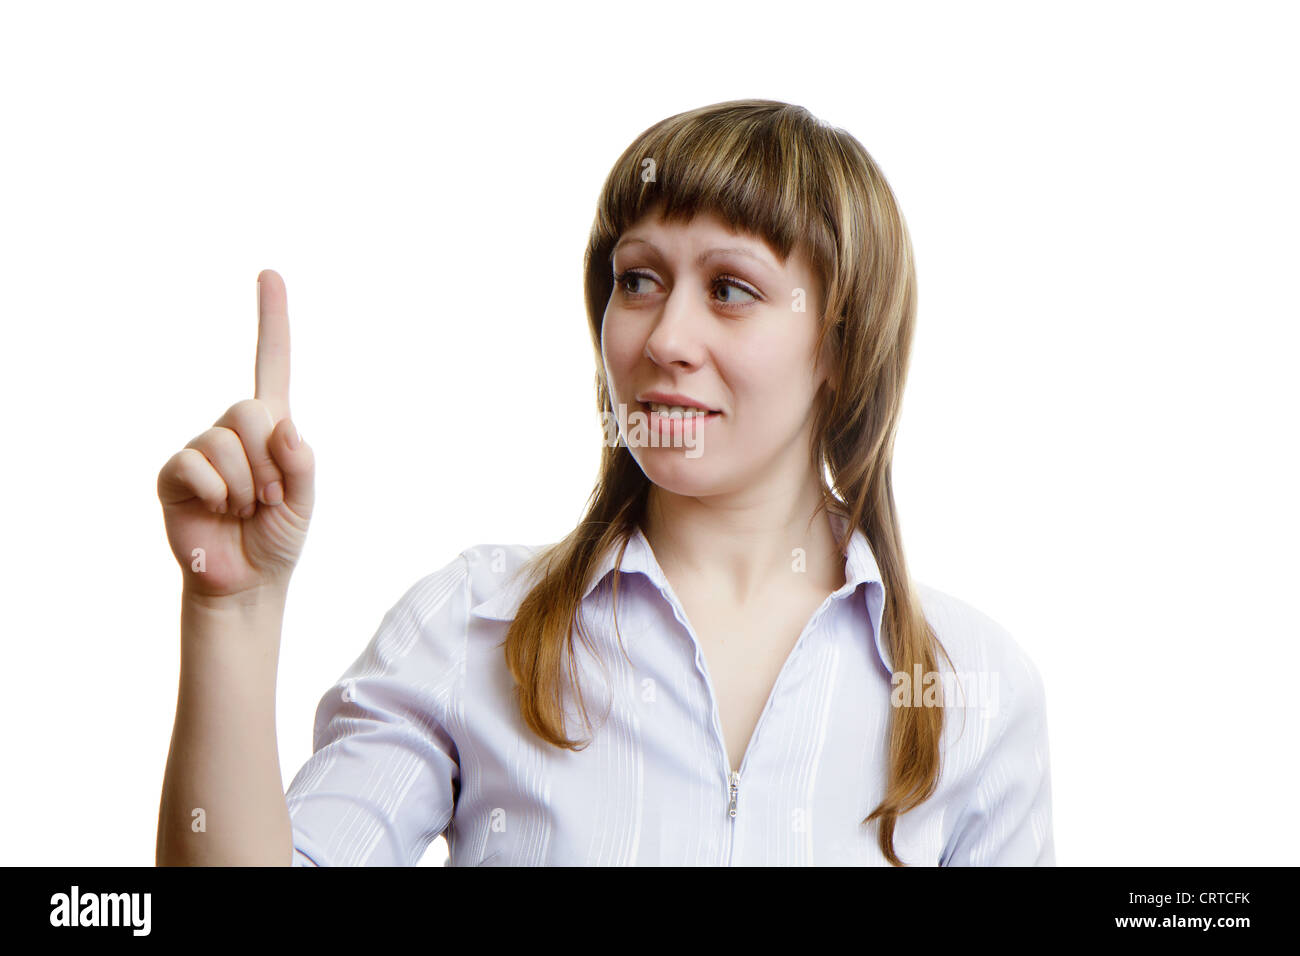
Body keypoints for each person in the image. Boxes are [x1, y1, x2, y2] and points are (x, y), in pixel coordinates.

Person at [155, 98, 1054, 867]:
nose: (663, 339)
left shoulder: (971, 685)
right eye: (638, 280)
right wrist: (231, 613)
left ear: (842, 341)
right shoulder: (471, 625)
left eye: (731, 288)